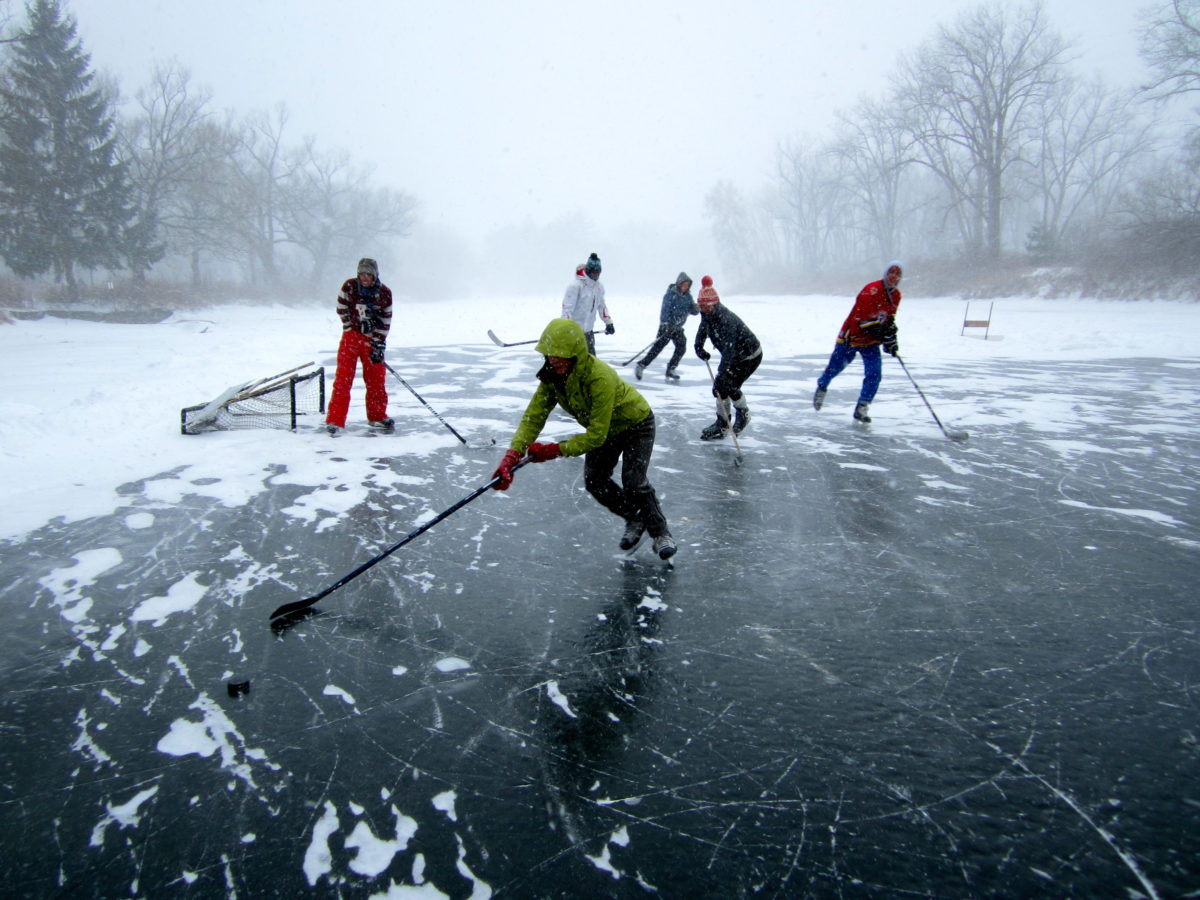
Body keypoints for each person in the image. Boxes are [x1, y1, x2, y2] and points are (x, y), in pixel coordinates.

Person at [491, 318, 677, 561]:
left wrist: (554, 450)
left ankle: (660, 532)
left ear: (577, 353)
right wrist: (511, 456)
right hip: (606, 430)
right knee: (594, 480)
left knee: (634, 481)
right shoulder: (552, 377)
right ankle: (634, 517)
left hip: (635, 424)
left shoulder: (600, 377)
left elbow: (596, 435)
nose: (554, 359)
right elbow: (533, 418)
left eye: (561, 355)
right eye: (550, 354)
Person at [812, 261, 903, 424]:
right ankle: (822, 386)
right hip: (851, 336)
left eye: (898, 274)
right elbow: (863, 321)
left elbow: (889, 320)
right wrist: (882, 333)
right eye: (891, 272)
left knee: (874, 373)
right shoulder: (872, 290)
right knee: (835, 367)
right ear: (885, 273)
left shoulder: (896, 296)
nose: (894, 276)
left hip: (871, 342)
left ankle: (862, 406)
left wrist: (891, 340)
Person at [325, 257, 394, 435]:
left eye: (368, 274)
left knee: (376, 379)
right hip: (351, 338)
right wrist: (352, 325)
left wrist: (378, 343)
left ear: (375, 275)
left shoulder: (384, 293)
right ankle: (335, 420)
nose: (365, 277)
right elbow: (341, 308)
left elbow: (386, 319)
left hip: (372, 340)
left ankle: (377, 416)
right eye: (362, 274)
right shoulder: (349, 287)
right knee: (343, 379)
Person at [693, 276, 762, 440]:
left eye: (705, 306)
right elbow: (702, 333)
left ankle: (743, 414)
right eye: (700, 306)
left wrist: (722, 373)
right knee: (720, 387)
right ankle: (722, 423)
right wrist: (699, 348)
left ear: (713, 304)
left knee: (727, 385)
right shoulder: (708, 316)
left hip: (750, 356)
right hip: (735, 356)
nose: (702, 309)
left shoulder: (726, 320)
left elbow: (729, 351)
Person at [635, 272, 698, 381]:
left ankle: (671, 369)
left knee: (681, 347)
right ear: (679, 283)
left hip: (677, 328)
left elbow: (693, 307)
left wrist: (695, 309)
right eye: (684, 284)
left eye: (687, 285)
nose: (685, 287)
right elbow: (664, 311)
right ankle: (641, 365)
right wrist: (666, 324)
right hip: (667, 327)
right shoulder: (670, 294)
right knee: (657, 348)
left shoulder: (688, 296)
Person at [562, 252, 613, 355]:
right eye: (594, 272)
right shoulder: (575, 286)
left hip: (588, 333)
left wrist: (608, 322)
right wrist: (566, 329)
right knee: (572, 364)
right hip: (574, 333)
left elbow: (602, 306)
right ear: (588, 271)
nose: (596, 275)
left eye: (598, 272)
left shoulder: (599, 287)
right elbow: (567, 310)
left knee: (590, 364)